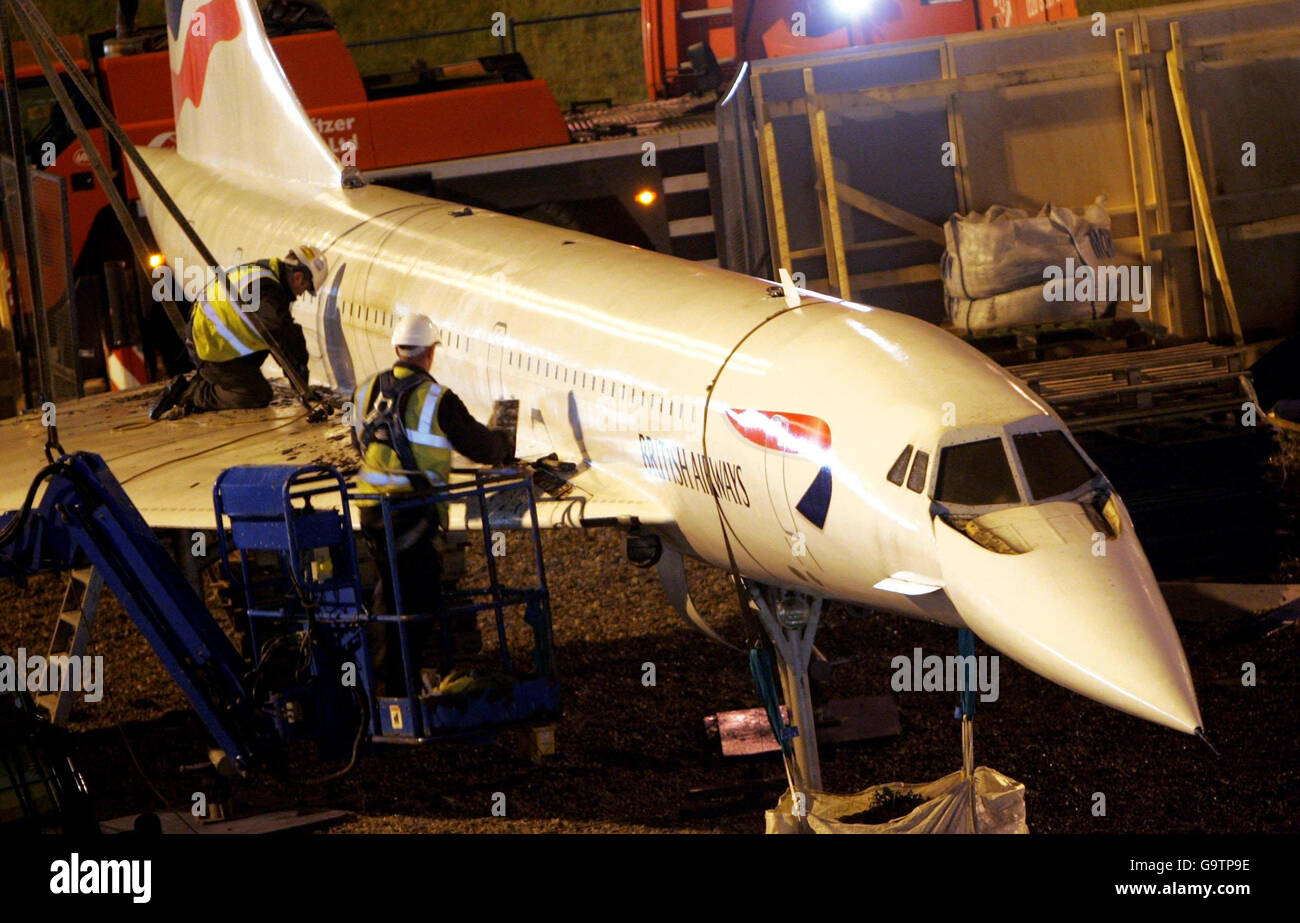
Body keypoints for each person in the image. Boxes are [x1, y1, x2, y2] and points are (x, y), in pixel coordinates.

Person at [351, 313, 512, 695]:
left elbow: (358, 440)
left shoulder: (365, 389)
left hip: (371, 508)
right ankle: (394, 686)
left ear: (397, 350)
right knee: (417, 595)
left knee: (391, 590)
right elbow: (480, 446)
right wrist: (504, 443)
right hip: (410, 510)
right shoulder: (438, 399)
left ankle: (390, 680)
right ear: (429, 354)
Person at [149, 245, 328, 419]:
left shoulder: (262, 270)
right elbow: (286, 340)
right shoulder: (268, 294)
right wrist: (302, 388)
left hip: (211, 339)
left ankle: (212, 380)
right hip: (210, 350)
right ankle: (190, 394)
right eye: (305, 288)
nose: (300, 294)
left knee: (267, 339)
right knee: (257, 394)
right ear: (297, 277)